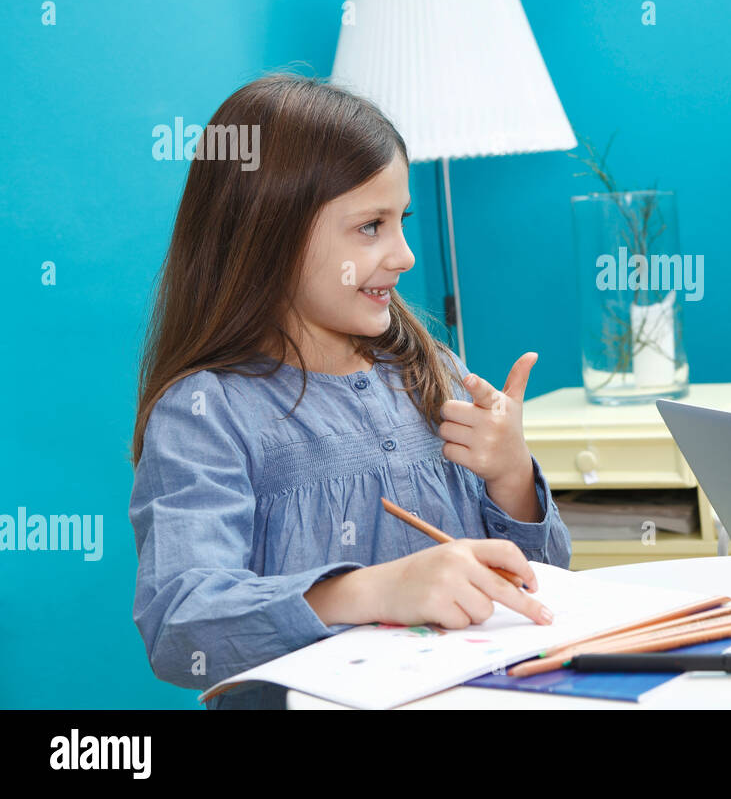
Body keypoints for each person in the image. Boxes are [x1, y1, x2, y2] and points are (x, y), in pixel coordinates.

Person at [130, 74, 571, 709]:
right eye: (370, 226)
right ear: (268, 233)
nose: (405, 255)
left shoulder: (432, 372)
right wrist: (370, 591)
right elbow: (180, 625)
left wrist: (510, 479)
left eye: (402, 221)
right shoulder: (207, 414)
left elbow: (544, 582)